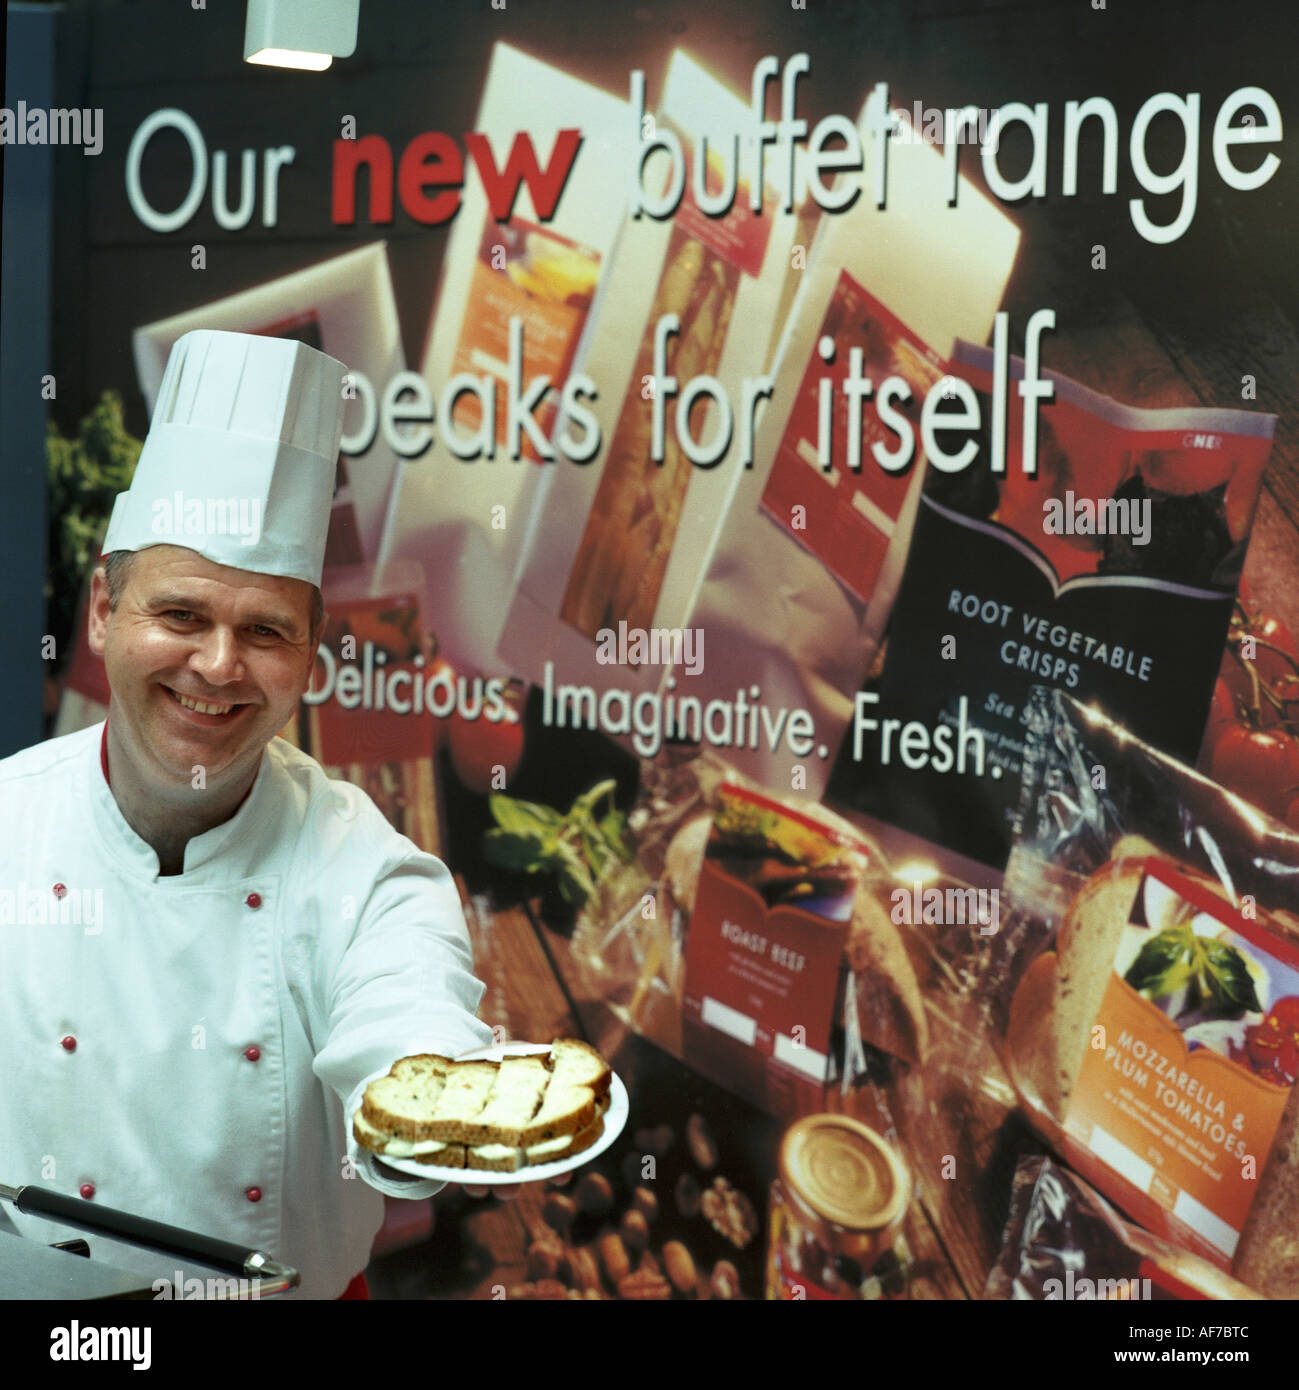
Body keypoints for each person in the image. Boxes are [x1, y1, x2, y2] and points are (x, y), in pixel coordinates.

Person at [0, 330, 495, 1298]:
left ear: (311, 661)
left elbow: (413, 1029)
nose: (219, 666)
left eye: (265, 630)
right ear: (103, 609)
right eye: (180, 615)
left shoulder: (368, 873)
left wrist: (435, 1114)